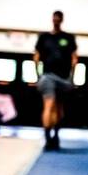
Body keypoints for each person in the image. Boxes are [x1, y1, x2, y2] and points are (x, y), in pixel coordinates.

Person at [32, 10, 77, 151]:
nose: (56, 20)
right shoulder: (44, 37)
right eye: (54, 18)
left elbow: (74, 58)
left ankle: (56, 136)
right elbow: (36, 57)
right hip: (48, 75)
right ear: (52, 20)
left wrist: (72, 77)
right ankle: (47, 138)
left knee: (59, 108)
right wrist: (38, 76)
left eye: (59, 18)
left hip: (63, 77)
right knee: (49, 106)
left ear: (61, 20)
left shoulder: (68, 38)